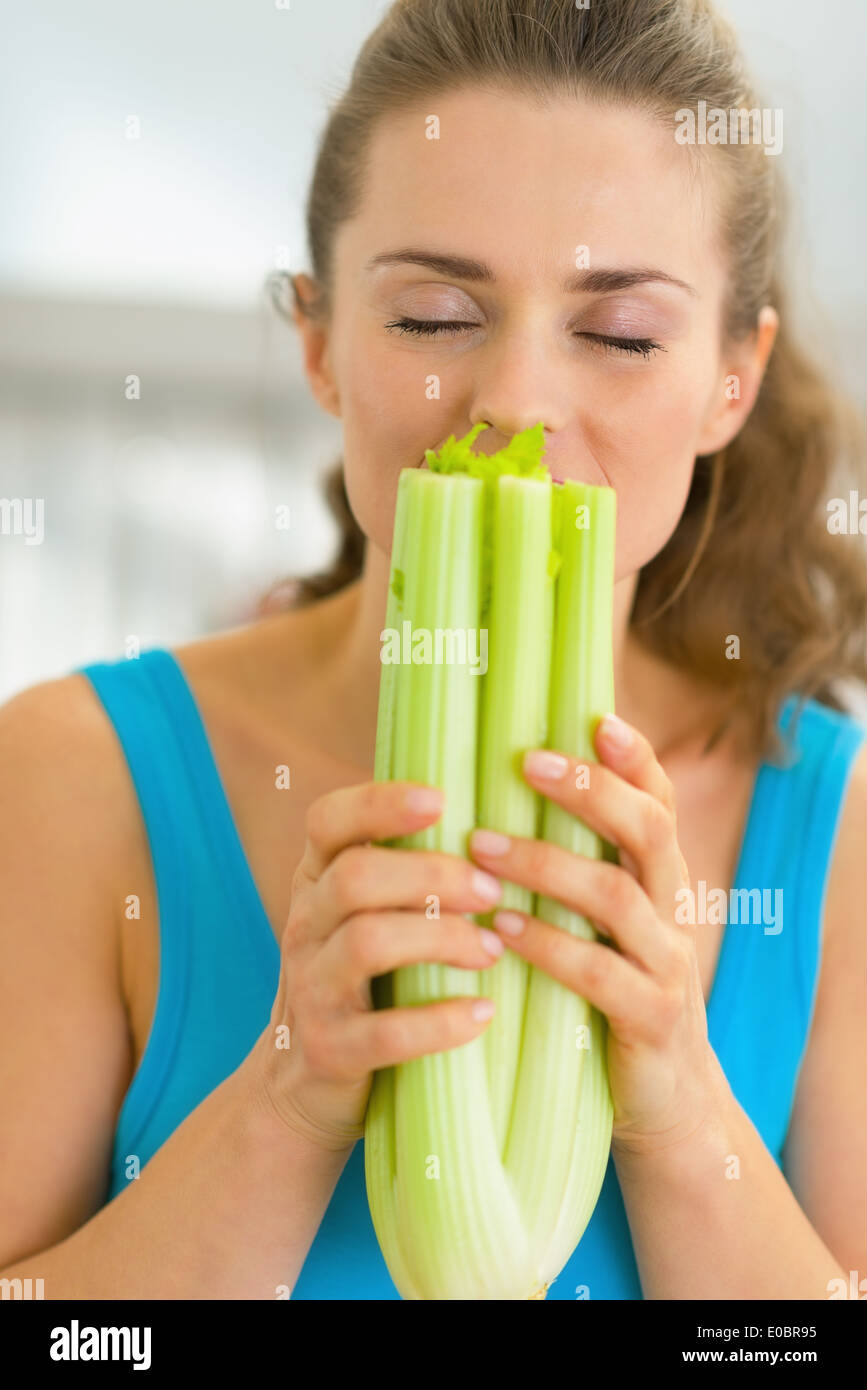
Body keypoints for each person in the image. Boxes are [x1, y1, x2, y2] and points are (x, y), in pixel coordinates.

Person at [2, 0, 866, 1300]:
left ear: (729, 382)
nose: (515, 401)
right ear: (320, 344)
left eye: (622, 334)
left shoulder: (839, 830)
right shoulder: (75, 775)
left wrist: (685, 1114)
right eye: (431, 316)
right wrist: (284, 1107)